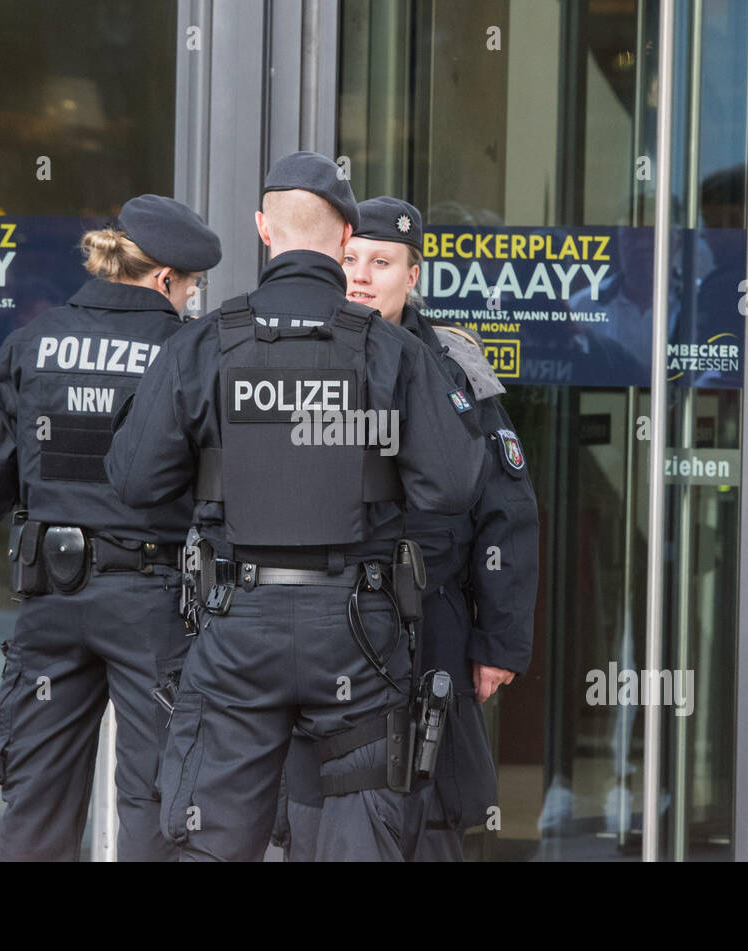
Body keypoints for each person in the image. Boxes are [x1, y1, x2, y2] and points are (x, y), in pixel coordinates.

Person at [105, 152, 486, 861]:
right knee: (358, 843)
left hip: (237, 627)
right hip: (358, 630)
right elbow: (455, 486)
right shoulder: (393, 352)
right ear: (346, 239)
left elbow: (131, 479)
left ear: (261, 230)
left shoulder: (204, 343)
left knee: (211, 838)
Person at [0, 195, 221, 861]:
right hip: (152, 599)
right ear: (163, 279)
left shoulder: (33, 340)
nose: (191, 299)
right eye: (190, 286)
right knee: (156, 797)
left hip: (52, 597)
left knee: (38, 798)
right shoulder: (188, 351)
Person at [280, 196, 540, 860]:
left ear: (413, 273)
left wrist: (498, 643)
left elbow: (505, 513)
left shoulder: (453, 366)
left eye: (381, 262)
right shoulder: (294, 353)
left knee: (429, 803)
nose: (362, 276)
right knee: (319, 800)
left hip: (429, 619)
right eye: (350, 260)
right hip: (320, 616)